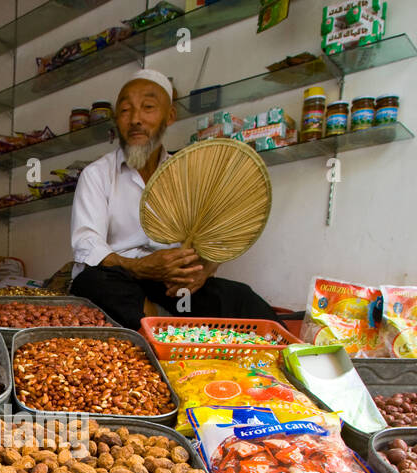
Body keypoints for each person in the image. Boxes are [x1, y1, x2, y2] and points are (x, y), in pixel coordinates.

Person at [69, 68, 275, 331]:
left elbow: (215, 232)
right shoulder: (97, 175)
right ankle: (161, 333)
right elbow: (87, 245)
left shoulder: (188, 174)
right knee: (90, 282)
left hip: (172, 285)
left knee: (239, 297)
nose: (135, 119)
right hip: (120, 278)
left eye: (148, 107)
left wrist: (203, 271)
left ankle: (295, 360)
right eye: (125, 110)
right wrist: (140, 267)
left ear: (170, 116)